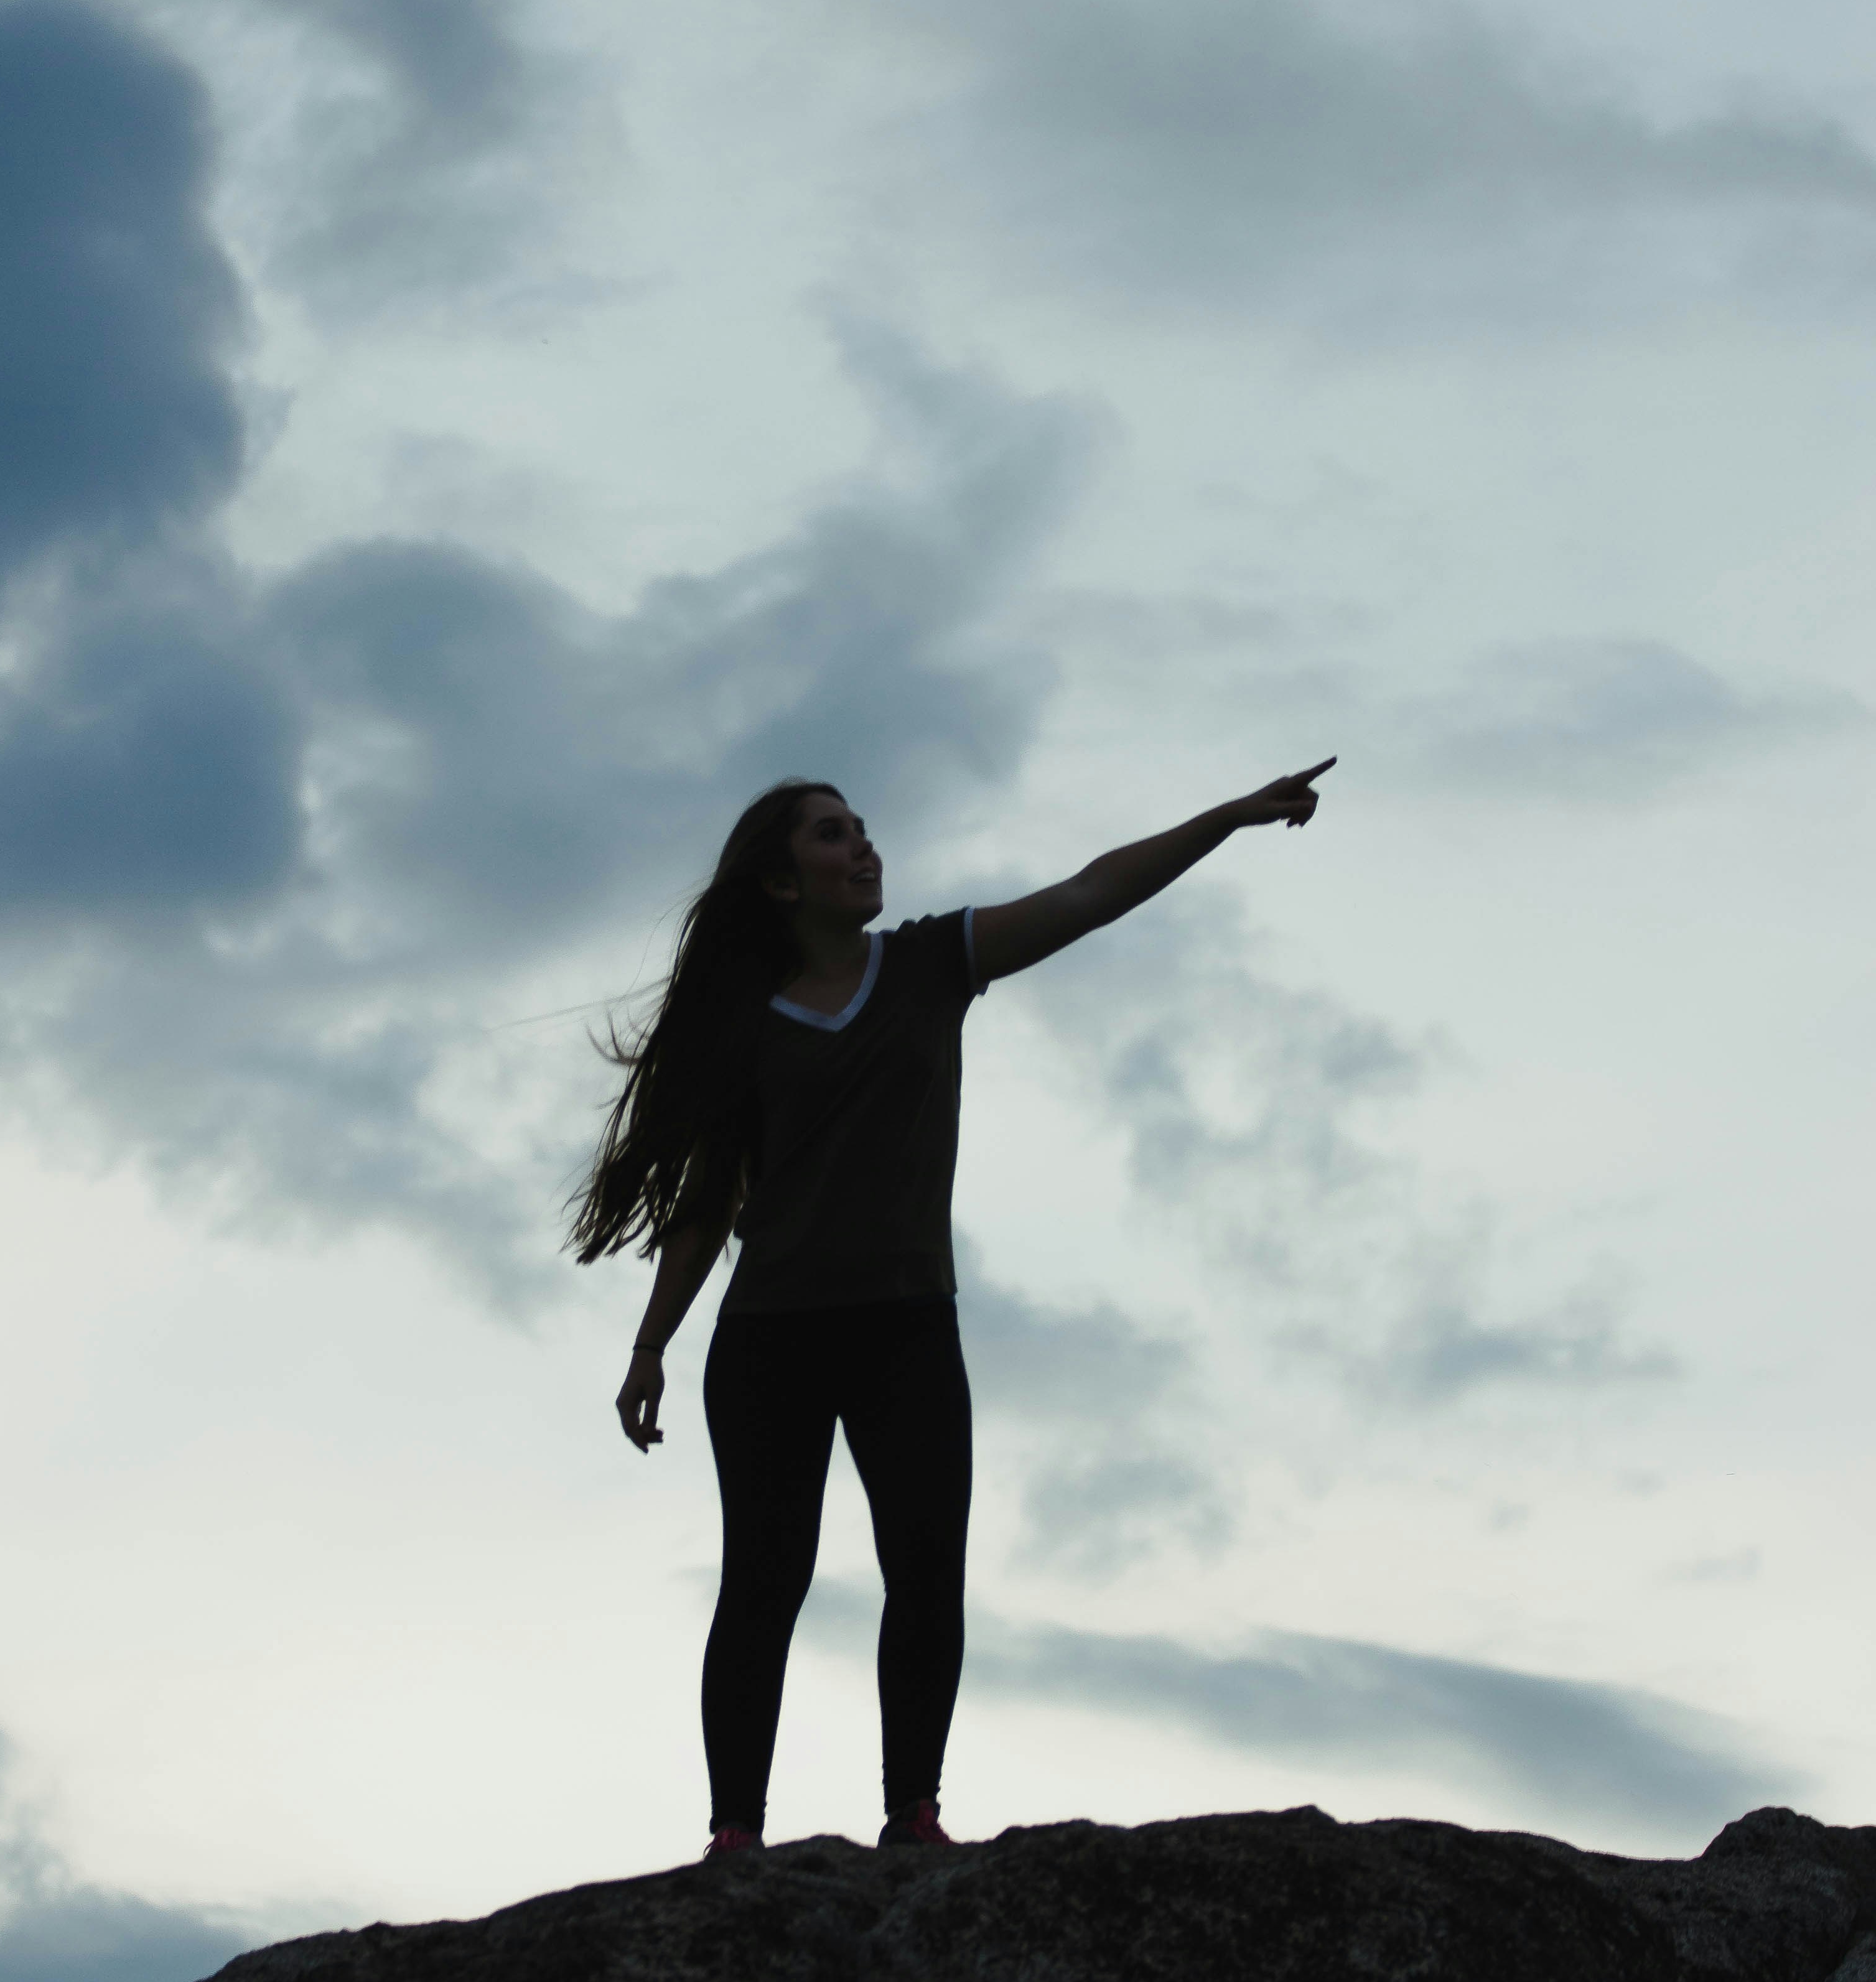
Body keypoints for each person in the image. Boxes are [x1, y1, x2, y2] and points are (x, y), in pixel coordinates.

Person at [568, 761, 1335, 1858]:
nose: (863, 847)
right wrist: (650, 1344)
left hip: (907, 1327)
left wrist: (1228, 816)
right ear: (782, 882)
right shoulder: (746, 1025)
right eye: (833, 836)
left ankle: (912, 1815)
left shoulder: (930, 963)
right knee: (763, 1585)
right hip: (769, 1343)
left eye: (863, 829)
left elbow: (1089, 892)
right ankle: (735, 1835)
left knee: (925, 1571)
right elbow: (704, 1201)